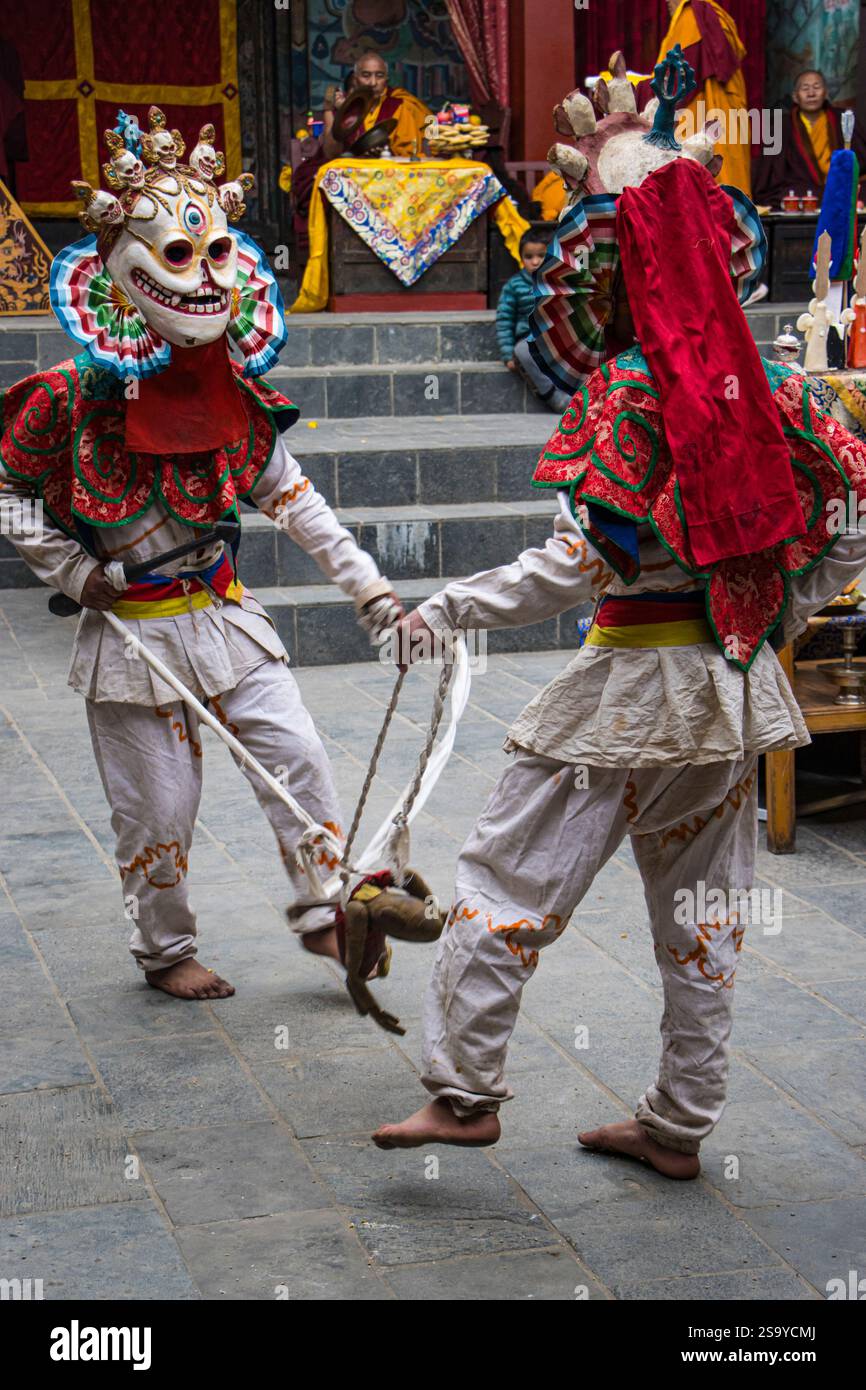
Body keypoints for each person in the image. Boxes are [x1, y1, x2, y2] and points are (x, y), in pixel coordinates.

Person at [371, 60, 866, 1178]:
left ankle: (462, 1093)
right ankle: (677, 1125)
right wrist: (774, 610)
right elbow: (847, 521)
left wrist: (443, 606)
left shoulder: (629, 390)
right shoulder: (781, 388)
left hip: (627, 692)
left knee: (502, 881)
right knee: (701, 915)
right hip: (731, 694)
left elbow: (574, 562)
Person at [0, 111, 403, 1002]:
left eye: (215, 249)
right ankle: (165, 948)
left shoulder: (234, 396)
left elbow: (294, 499)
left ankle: (330, 913)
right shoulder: (69, 398)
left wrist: (370, 589)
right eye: (175, 255)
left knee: (299, 757)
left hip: (224, 617)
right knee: (159, 810)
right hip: (132, 636)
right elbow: (8, 491)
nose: (205, 274)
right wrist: (73, 571)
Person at [652, 0, 752, 194]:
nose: (667, 4)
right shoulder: (717, 15)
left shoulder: (693, 16)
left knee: (699, 189)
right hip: (728, 113)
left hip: (699, 111)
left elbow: (675, 78)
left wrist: (641, 88)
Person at [752, 70, 866, 209]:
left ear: (825, 93)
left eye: (817, 87)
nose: (811, 93)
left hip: (840, 187)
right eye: (805, 88)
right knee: (789, 195)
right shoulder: (781, 127)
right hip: (803, 190)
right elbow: (768, 176)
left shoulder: (844, 120)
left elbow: (861, 162)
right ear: (795, 97)